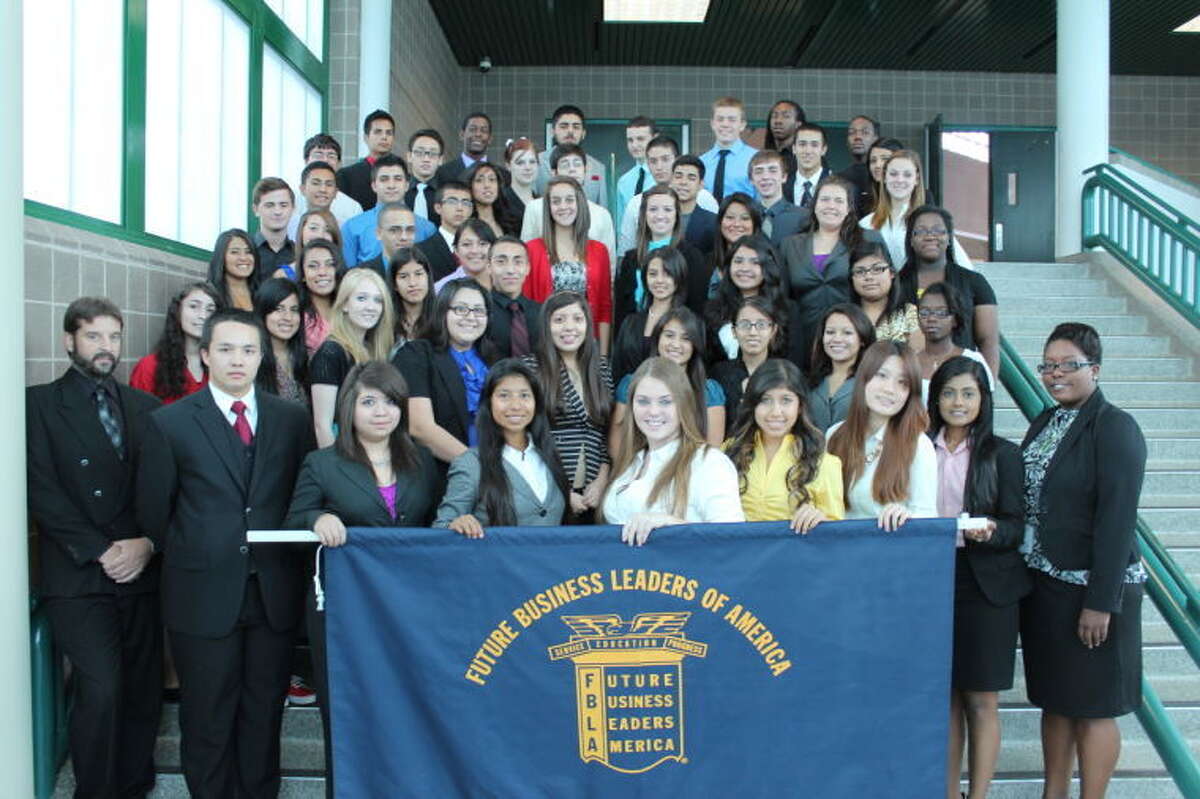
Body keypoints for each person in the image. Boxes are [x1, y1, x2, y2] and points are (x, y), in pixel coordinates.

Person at [137, 309, 315, 799]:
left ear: (262, 357)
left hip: (273, 592)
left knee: (263, 713)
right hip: (202, 593)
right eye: (227, 349)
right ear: (205, 355)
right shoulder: (169, 423)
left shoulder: (290, 420)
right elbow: (155, 513)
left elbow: (301, 495)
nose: (238, 360)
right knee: (207, 715)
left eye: (249, 350)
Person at [27, 298, 163, 799]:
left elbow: (161, 488)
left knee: (142, 691)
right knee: (102, 690)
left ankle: (135, 787)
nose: (106, 348)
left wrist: (148, 543)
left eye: (113, 337)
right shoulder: (36, 404)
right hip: (79, 574)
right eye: (93, 337)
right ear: (69, 341)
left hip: (141, 570)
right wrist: (102, 550)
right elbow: (40, 489)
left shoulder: (145, 408)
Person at [284, 361, 439, 798]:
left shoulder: (422, 461)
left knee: (409, 712)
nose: (381, 411)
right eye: (369, 401)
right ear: (350, 405)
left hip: (410, 612)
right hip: (345, 614)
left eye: (390, 401)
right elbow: (293, 523)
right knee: (349, 714)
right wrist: (317, 518)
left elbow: (434, 525)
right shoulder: (322, 463)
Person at [1019, 323, 1147, 799]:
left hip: (1093, 590)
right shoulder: (1046, 420)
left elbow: (1117, 520)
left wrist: (1101, 601)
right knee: (1056, 701)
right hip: (1046, 586)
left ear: (1094, 369)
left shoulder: (1115, 427)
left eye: (1067, 365)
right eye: (1048, 365)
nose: (1055, 374)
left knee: (1093, 707)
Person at [927, 357, 1030, 799]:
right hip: (930, 580)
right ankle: (950, 792)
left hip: (987, 584)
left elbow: (1016, 525)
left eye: (968, 393)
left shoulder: (1003, 453)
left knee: (982, 699)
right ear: (935, 399)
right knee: (946, 696)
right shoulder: (916, 447)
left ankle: (980, 793)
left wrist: (991, 531)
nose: (958, 402)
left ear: (983, 400)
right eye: (948, 393)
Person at [601, 357, 744, 544]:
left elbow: (733, 541)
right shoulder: (631, 462)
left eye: (665, 402)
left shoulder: (709, 463)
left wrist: (672, 525)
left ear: (684, 405)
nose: (653, 411)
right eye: (643, 401)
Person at [435, 359, 572, 535]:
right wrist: (457, 523)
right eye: (504, 395)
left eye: (524, 395)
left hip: (550, 562)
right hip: (497, 562)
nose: (515, 406)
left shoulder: (550, 455)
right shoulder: (471, 463)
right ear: (488, 403)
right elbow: (441, 527)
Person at [722, 358, 845, 530]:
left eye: (786, 400)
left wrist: (821, 520)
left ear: (800, 406)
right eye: (765, 400)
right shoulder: (728, 452)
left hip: (793, 556)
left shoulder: (824, 463)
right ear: (752, 405)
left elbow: (838, 538)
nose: (775, 412)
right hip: (738, 554)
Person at [826, 340, 937, 529]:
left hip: (889, 553)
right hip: (840, 553)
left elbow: (928, 516)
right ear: (864, 378)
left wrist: (909, 516)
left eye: (903, 383)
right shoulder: (835, 434)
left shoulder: (918, 445)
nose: (889, 389)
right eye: (882, 375)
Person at [524, 292, 614, 522]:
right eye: (559, 320)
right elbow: (526, 436)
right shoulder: (531, 368)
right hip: (546, 486)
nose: (569, 327)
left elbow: (607, 432)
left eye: (577, 318)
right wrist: (561, 490)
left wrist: (602, 479)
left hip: (594, 490)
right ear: (546, 326)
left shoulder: (601, 367)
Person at [779, 175, 877, 370]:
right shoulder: (790, 245)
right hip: (802, 341)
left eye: (839, 201)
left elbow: (879, 289)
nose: (831, 205)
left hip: (850, 341)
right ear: (814, 205)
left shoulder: (868, 239)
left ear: (849, 208)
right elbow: (781, 297)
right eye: (824, 199)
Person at [392, 278, 494, 463]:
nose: (471, 317)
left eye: (479, 310)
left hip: (495, 466)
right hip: (440, 471)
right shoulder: (416, 354)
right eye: (461, 309)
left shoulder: (494, 359)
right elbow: (420, 427)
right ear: (442, 311)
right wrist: (476, 468)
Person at [899, 205, 999, 377]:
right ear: (911, 239)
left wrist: (986, 387)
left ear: (949, 238)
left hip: (961, 379)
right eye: (921, 231)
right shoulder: (896, 285)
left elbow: (988, 341)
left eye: (938, 230)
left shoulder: (974, 283)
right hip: (911, 381)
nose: (930, 236)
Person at [610, 306, 725, 456]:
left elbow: (712, 451)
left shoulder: (709, 391)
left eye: (686, 338)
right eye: (669, 335)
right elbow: (616, 442)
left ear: (695, 345)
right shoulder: (631, 384)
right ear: (658, 338)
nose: (675, 345)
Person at [524, 176, 613, 352]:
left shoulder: (599, 250)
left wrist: (602, 357)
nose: (563, 206)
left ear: (580, 204)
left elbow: (604, 307)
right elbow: (527, 305)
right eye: (556, 201)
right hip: (545, 345)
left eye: (569, 200)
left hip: (587, 343)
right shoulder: (531, 250)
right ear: (548, 208)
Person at [310, 268, 395, 447]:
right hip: (342, 456)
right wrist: (336, 472)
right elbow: (322, 426)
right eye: (362, 298)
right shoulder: (330, 353)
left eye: (378, 300)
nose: (371, 307)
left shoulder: (374, 350)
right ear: (345, 305)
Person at [613, 184, 706, 334]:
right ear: (644, 215)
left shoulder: (692, 257)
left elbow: (697, 310)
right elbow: (621, 313)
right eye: (653, 209)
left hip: (676, 341)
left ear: (677, 215)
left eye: (667, 209)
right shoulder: (630, 259)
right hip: (635, 340)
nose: (660, 215)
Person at [861, 149, 972, 270]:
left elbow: (965, 267)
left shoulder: (932, 223)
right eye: (893, 174)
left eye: (907, 175)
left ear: (917, 180)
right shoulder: (866, 224)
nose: (899, 179)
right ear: (885, 178)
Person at [705, 233, 804, 364]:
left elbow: (795, 364)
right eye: (738, 261)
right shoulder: (713, 309)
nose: (745, 268)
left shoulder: (787, 310)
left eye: (755, 262)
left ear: (768, 268)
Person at [619, 136, 721, 254]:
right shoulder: (636, 202)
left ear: (677, 160)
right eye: (653, 161)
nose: (659, 166)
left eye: (665, 159)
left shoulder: (703, 197)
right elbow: (626, 249)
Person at [521, 144, 617, 267]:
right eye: (565, 165)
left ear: (585, 170)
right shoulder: (535, 208)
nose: (572, 169)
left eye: (577, 164)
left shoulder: (601, 214)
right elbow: (525, 256)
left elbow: (609, 265)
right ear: (554, 172)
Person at [130, 282, 220, 403]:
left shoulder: (221, 366)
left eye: (210, 310)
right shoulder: (149, 367)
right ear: (177, 312)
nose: (203, 315)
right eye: (194, 306)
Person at [341, 154, 435, 268]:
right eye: (384, 179)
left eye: (397, 179)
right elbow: (348, 275)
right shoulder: (352, 227)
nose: (391, 185)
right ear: (374, 185)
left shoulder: (427, 228)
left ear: (406, 185)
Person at [612, 247, 688, 386]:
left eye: (667, 274)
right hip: (627, 399)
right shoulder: (630, 322)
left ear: (679, 277)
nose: (659, 280)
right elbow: (616, 370)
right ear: (645, 278)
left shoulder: (689, 323)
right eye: (653, 274)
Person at [711, 295, 788, 422]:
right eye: (744, 324)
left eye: (761, 324)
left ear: (773, 330)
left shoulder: (785, 373)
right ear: (734, 331)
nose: (753, 332)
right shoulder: (719, 373)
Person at [916, 282, 995, 399]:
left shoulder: (973, 360)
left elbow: (985, 408)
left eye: (941, 313)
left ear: (955, 319)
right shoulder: (909, 361)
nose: (931, 318)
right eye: (924, 312)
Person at [805, 303, 876, 432]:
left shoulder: (872, 381)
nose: (837, 339)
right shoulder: (812, 381)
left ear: (862, 339)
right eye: (830, 332)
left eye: (847, 333)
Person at [848, 238, 923, 349]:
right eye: (860, 271)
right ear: (852, 278)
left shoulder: (909, 314)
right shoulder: (844, 316)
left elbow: (918, 358)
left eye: (877, 269)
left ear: (891, 273)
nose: (869, 276)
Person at [534, 104, 608, 204]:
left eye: (576, 127)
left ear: (583, 133)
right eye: (564, 126)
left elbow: (602, 210)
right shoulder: (536, 163)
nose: (570, 131)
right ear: (552, 131)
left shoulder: (598, 168)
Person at [253, 277, 309, 406]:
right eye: (279, 309)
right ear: (263, 312)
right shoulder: (252, 359)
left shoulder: (306, 357)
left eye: (294, 310)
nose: (288, 317)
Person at [486, 237, 541, 359]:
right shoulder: (480, 312)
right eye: (501, 261)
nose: (510, 270)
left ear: (527, 268)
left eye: (518, 262)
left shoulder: (541, 313)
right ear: (489, 267)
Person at [296, 133, 364, 226]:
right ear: (306, 161)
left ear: (339, 163)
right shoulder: (291, 201)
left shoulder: (352, 208)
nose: (325, 160)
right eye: (318, 155)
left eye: (331, 156)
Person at [337, 109, 396, 210]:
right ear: (366, 137)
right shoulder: (346, 176)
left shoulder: (402, 175)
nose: (384, 137)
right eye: (378, 132)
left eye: (389, 133)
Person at [700, 97, 757, 201]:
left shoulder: (755, 159)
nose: (725, 124)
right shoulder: (701, 162)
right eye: (720, 119)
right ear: (712, 124)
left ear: (742, 125)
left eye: (732, 120)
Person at [748, 150, 809, 246]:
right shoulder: (747, 216)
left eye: (773, 171)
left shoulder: (802, 217)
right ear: (751, 180)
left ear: (784, 177)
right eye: (759, 171)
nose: (765, 177)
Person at [296, 239, 344, 356]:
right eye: (313, 266)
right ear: (303, 274)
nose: (322, 272)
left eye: (330, 264)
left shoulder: (349, 309)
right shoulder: (296, 314)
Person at [419, 181, 475, 281]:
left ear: (471, 210)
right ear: (438, 208)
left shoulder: (480, 247)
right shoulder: (421, 251)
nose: (459, 208)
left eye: (465, 203)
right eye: (452, 202)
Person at [709, 192, 762, 296]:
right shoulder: (706, 261)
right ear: (720, 222)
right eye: (730, 217)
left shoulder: (767, 261)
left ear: (755, 224)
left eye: (745, 218)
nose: (737, 224)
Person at [389, 246, 437, 350]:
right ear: (394, 285)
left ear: (428, 277)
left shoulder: (442, 318)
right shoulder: (386, 322)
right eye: (403, 276)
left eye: (418, 274)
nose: (412, 283)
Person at [355, 202, 418, 280]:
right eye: (394, 230)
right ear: (378, 233)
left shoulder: (426, 270)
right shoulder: (362, 275)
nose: (404, 237)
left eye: (410, 230)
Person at [433, 218, 498, 292]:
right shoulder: (441, 289)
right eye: (466, 244)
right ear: (456, 250)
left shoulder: (504, 281)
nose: (475, 250)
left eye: (482, 244)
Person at [671, 155, 718, 254]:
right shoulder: (657, 217)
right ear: (671, 181)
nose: (683, 182)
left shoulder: (714, 222)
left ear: (701, 185)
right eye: (678, 176)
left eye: (691, 178)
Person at [251, 177, 295, 280]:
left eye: (283, 205)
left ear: (293, 209)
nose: (277, 211)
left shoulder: (300, 255)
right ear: (255, 209)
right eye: (269, 205)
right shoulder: (245, 252)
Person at [285, 161, 341, 242]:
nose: (323, 189)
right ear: (302, 189)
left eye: (329, 184)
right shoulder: (288, 225)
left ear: (336, 192)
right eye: (316, 183)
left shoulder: (342, 227)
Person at [433, 112, 493, 186]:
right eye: (472, 129)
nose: (478, 134)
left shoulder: (500, 175)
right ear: (462, 135)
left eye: (483, 131)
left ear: (490, 139)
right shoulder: (442, 173)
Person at [615, 116, 656, 224]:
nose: (634, 145)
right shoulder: (623, 181)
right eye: (630, 140)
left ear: (655, 139)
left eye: (640, 139)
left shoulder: (666, 176)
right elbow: (621, 223)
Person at [207, 228, 260, 311]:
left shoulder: (262, 295)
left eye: (248, 252)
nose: (243, 257)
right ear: (221, 257)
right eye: (234, 252)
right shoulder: (210, 295)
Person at [837, 114, 879, 216]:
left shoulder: (885, 176)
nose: (858, 137)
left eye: (865, 132)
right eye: (852, 133)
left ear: (875, 139)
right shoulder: (839, 179)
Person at [466, 160, 521, 237]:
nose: (487, 185)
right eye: (479, 180)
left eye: (492, 179)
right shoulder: (465, 225)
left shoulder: (511, 222)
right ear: (470, 186)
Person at [785, 123, 833, 209]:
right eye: (802, 144)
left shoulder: (837, 186)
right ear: (794, 149)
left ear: (823, 150)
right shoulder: (782, 187)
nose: (808, 151)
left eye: (814, 145)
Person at [405, 128, 444, 226]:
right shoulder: (399, 190)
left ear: (440, 159)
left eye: (432, 153)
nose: (426, 159)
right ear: (409, 156)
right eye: (419, 152)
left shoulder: (447, 193)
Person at [761, 99, 805, 183]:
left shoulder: (803, 158)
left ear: (798, 124)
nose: (778, 121)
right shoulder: (763, 155)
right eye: (774, 116)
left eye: (786, 116)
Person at [866, 137, 904, 212]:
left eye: (885, 159)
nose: (877, 165)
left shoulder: (923, 197)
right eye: (873, 160)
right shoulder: (866, 201)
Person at [504, 136, 539, 212]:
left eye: (532, 162)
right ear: (508, 166)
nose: (528, 167)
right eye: (520, 163)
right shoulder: (500, 202)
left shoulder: (541, 202)